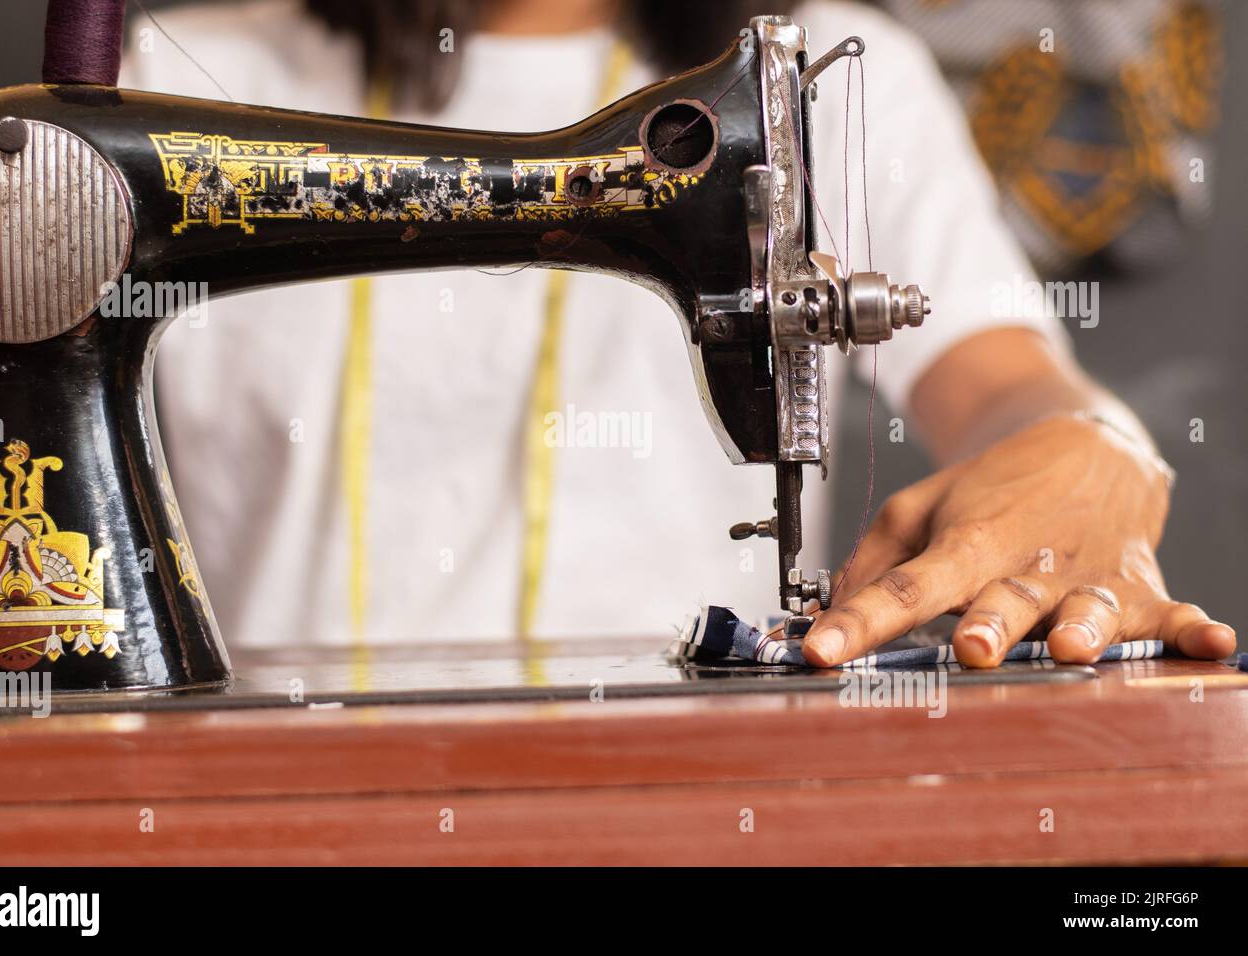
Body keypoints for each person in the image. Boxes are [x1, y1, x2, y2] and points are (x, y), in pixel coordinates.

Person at [119, 0, 1236, 667]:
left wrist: (1095, 449)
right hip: (250, 811)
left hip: (701, 806)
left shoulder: (830, 77)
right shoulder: (168, 85)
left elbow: (1006, 385)